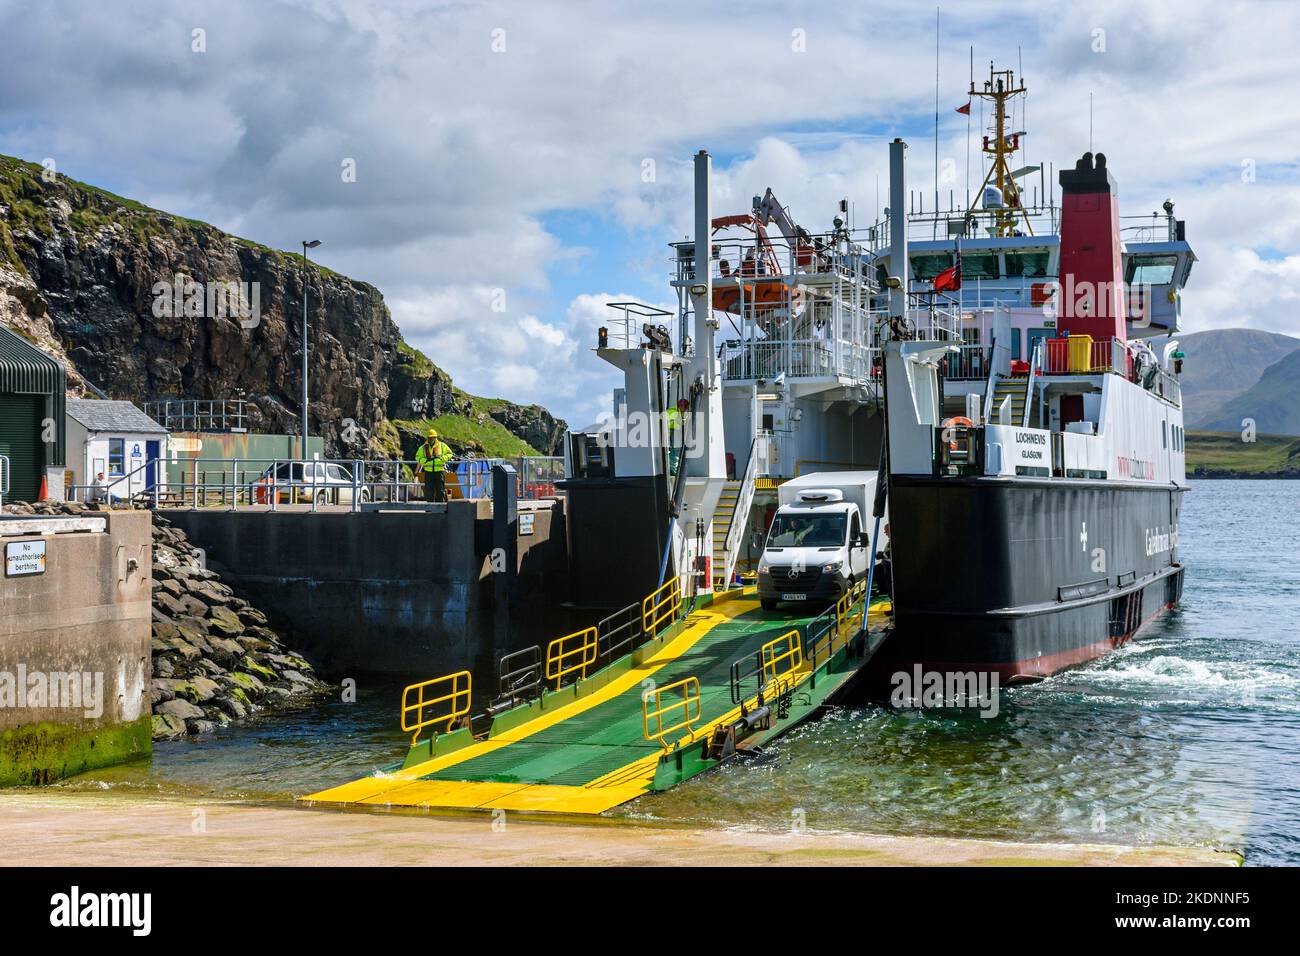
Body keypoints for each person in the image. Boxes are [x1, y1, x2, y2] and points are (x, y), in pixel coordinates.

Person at [414, 429, 452, 502]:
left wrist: (442, 458)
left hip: (440, 471)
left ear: (435, 437)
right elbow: (417, 457)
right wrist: (426, 460)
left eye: (432, 437)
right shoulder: (423, 448)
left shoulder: (442, 445)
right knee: (429, 491)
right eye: (429, 437)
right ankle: (429, 509)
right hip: (428, 472)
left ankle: (440, 508)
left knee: (440, 490)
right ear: (427, 438)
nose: (431, 439)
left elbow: (450, 454)